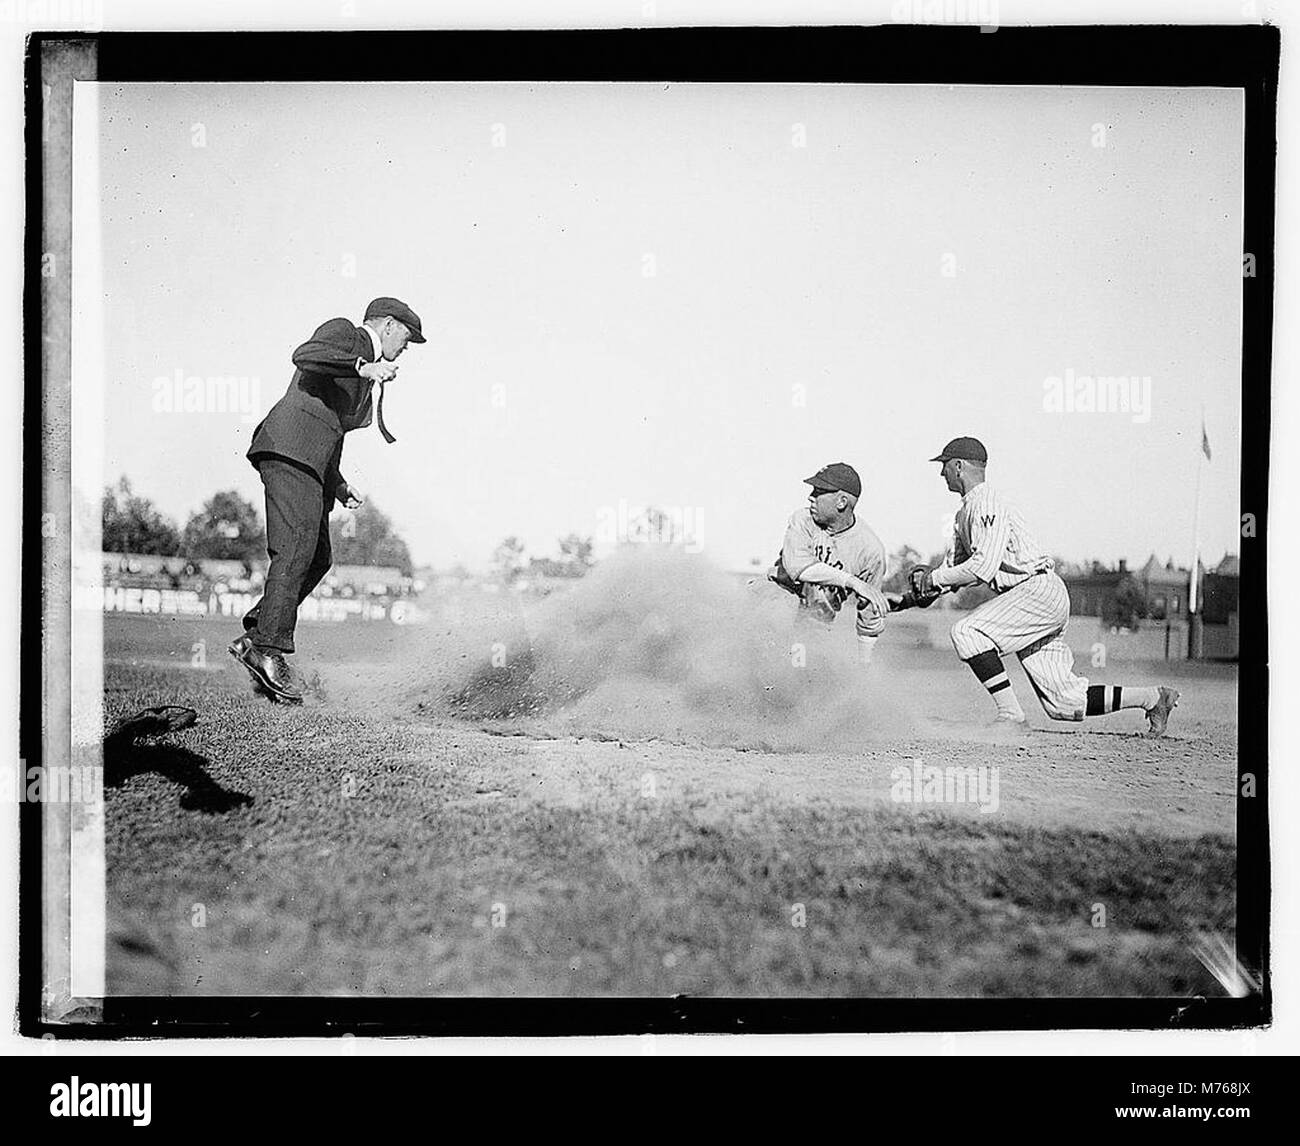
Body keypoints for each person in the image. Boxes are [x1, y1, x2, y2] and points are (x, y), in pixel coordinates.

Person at [229, 297, 425, 703]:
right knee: (297, 546)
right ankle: (268, 650)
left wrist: (336, 483)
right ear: (387, 326)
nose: (406, 348)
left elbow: (331, 429)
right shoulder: (346, 334)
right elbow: (305, 355)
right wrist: (364, 366)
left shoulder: (365, 378)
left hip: (311, 462)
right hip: (289, 449)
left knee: (318, 558)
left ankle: (257, 635)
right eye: (406, 338)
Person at [912, 436, 1179, 734]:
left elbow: (982, 568)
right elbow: (953, 573)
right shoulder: (963, 515)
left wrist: (933, 579)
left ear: (959, 466)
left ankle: (1010, 715)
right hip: (1030, 601)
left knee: (967, 631)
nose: (941, 473)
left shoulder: (986, 502)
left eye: (944, 465)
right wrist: (907, 596)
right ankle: (1153, 698)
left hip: (1036, 592)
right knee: (1064, 702)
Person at [769, 462, 890, 665]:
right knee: (780, 614)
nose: (811, 497)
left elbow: (869, 618)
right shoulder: (802, 520)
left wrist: (864, 666)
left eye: (819, 492)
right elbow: (797, 566)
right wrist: (852, 582)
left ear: (842, 501)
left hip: (813, 626)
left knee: (802, 674)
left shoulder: (871, 550)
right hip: (774, 598)